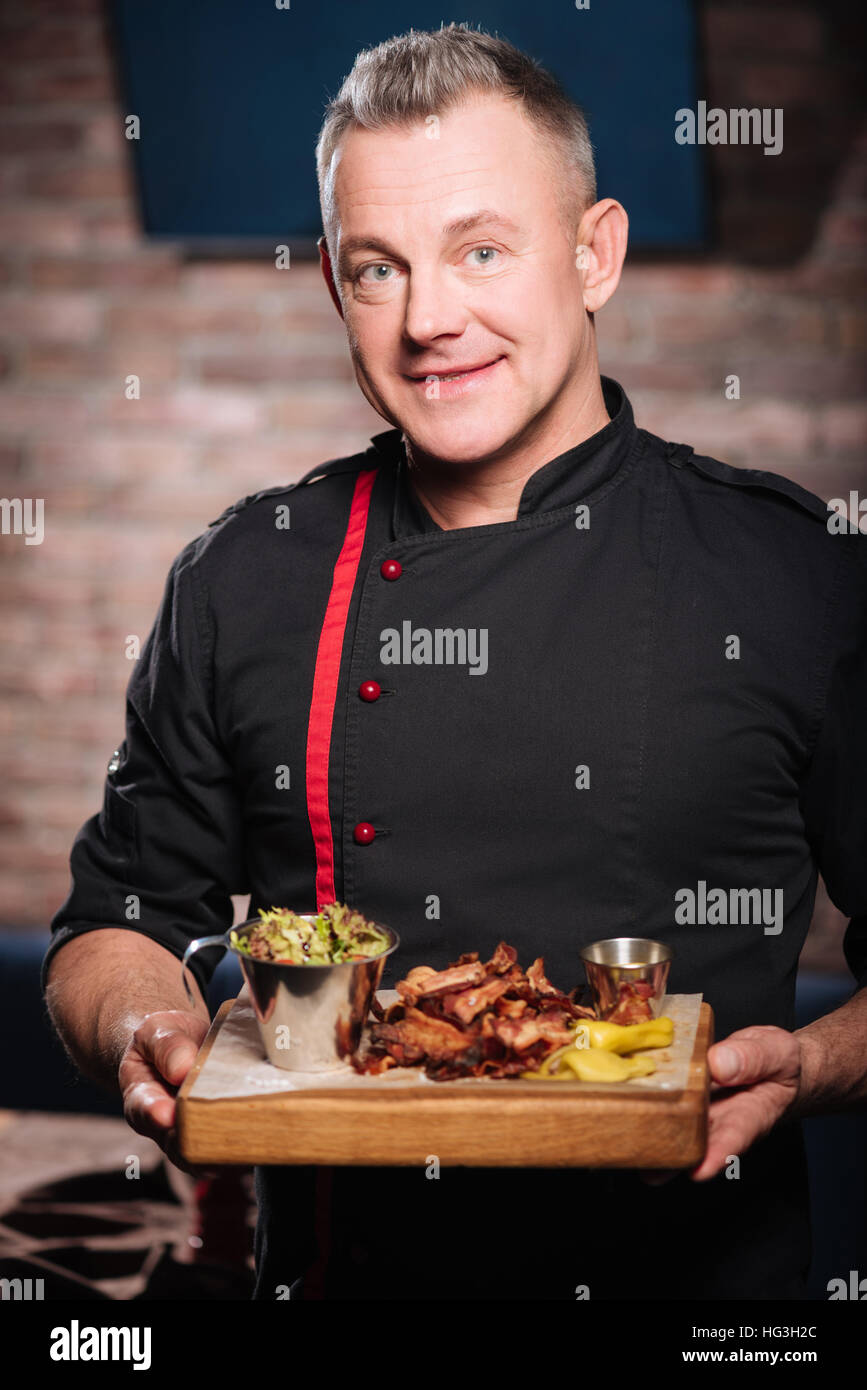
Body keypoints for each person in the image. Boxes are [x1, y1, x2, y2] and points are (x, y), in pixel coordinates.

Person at [43, 24, 866, 1301]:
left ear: (596, 254)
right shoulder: (244, 576)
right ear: (334, 285)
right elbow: (115, 926)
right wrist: (147, 1029)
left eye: (483, 250)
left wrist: (808, 1069)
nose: (432, 321)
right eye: (380, 269)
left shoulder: (791, 573)